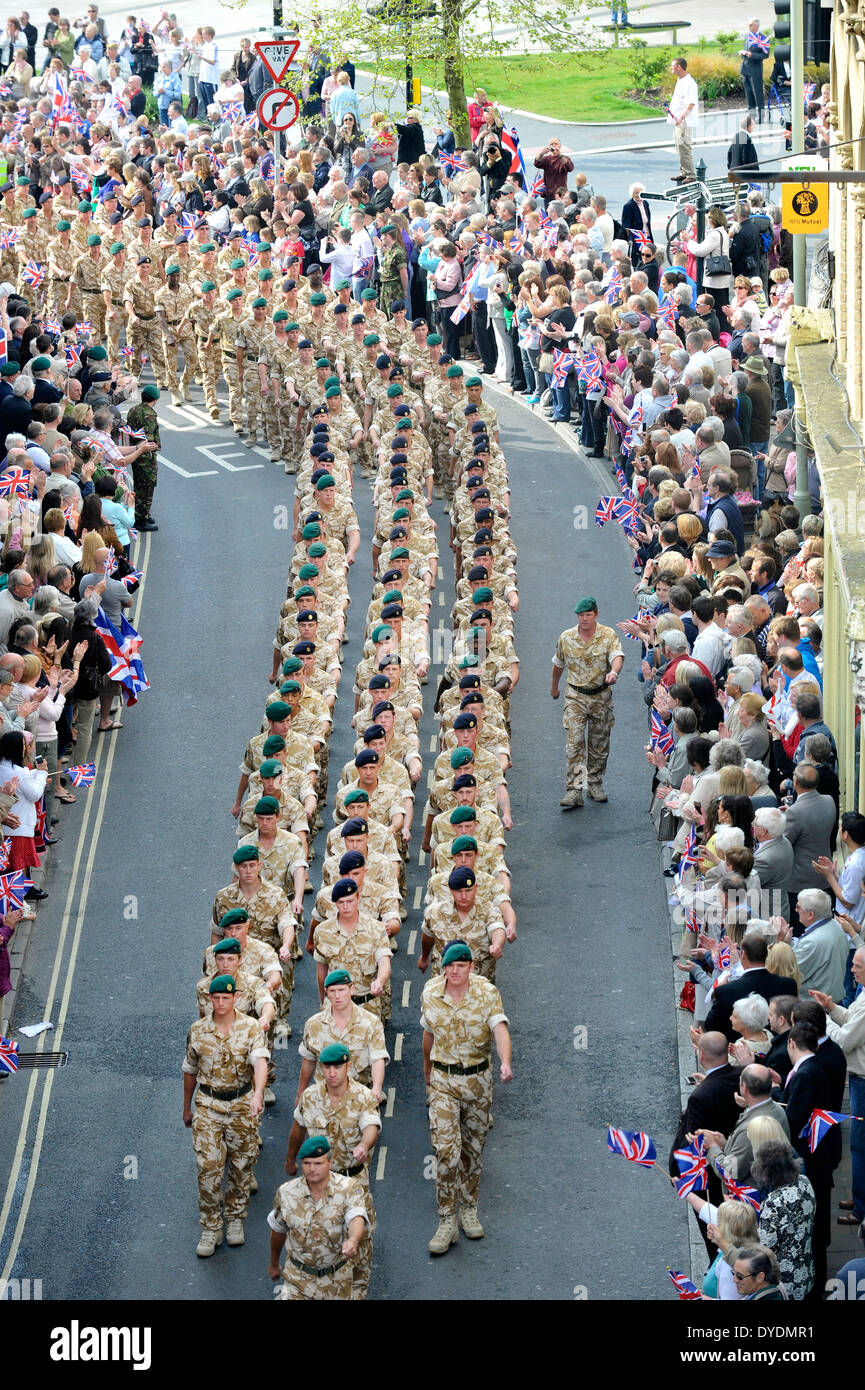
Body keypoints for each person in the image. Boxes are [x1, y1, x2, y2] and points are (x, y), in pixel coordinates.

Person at [421, 941, 512, 1254]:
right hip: (444, 1079)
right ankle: (446, 1219)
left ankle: (469, 1208)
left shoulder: (486, 993)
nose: (456, 970)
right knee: (446, 1151)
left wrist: (505, 1062)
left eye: (462, 965)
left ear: (471, 968)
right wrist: (427, 1073)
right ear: (444, 968)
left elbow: (499, 1029)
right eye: (451, 965)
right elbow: (428, 1034)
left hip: (477, 1079)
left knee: (473, 1149)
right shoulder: (431, 993)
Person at [182, 972, 268, 1257]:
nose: (220, 1003)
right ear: (210, 999)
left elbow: (260, 1061)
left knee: (242, 1165)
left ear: (235, 999)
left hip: (242, 1102)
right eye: (216, 998)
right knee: (208, 1166)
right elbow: (190, 1070)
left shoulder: (252, 1028)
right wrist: (186, 1107)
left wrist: (257, 1094)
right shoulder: (198, 1030)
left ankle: (234, 1220)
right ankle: (210, 1226)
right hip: (208, 1104)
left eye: (226, 998)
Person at [267, 1134, 368, 1300]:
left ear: (330, 1162)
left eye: (318, 1163)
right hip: (298, 1279)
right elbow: (278, 1230)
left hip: (337, 1281)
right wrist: (274, 1264)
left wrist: (353, 1240)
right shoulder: (286, 1193)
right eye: (307, 1163)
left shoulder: (348, 1187)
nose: (312, 1169)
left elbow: (356, 1216)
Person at [551, 597, 623, 808]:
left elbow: (617, 655)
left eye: (588, 615)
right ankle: (575, 790)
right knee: (574, 744)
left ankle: (595, 783)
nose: (584, 619)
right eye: (581, 615)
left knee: (599, 745)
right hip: (576, 697)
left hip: (601, 697)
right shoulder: (567, 637)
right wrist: (554, 687)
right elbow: (558, 664)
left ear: (596, 614)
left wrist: (614, 671)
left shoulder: (608, 635)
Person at [668, 57, 699, 184]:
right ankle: (684, 172)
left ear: (679, 67)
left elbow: (691, 103)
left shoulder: (689, 83)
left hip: (684, 121)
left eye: (673, 66)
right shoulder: (680, 80)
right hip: (678, 120)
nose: (671, 68)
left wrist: (681, 117)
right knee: (679, 146)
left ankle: (690, 174)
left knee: (684, 146)